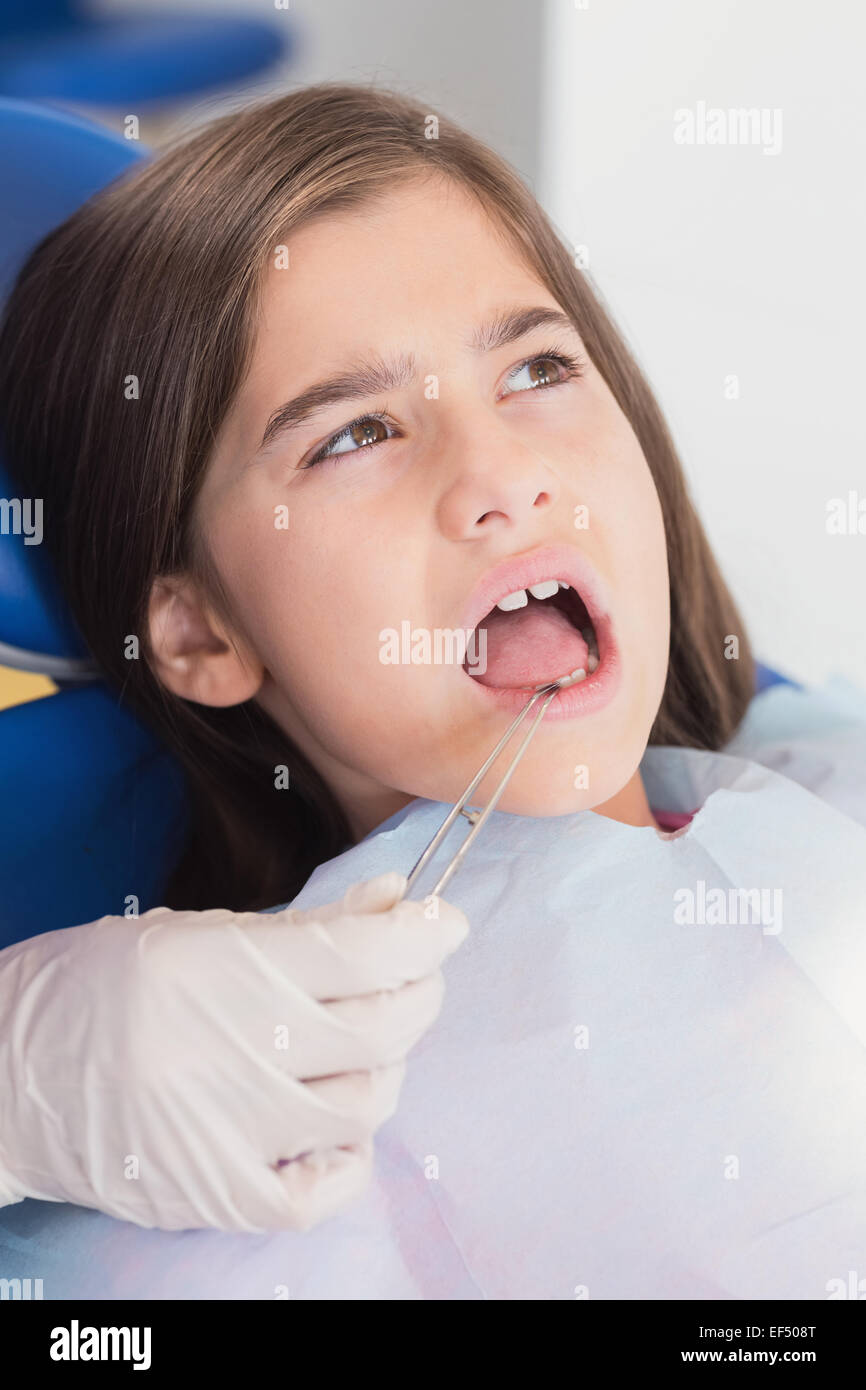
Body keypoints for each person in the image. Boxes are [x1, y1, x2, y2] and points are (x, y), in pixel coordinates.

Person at [0, 85, 860, 1289]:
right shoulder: (235, 1190)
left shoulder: (828, 787)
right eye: (352, 434)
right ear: (198, 630)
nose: (499, 472)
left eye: (537, 366)